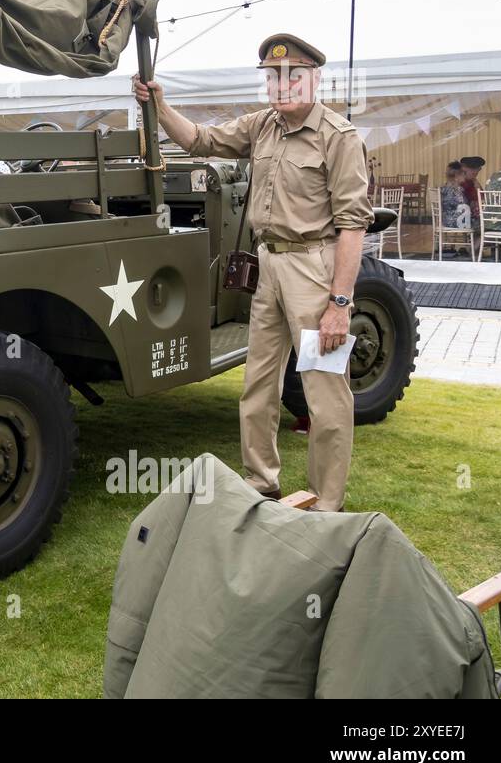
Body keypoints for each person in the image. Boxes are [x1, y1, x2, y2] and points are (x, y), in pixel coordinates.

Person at [133, 33, 372, 512]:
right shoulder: (263, 126)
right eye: (273, 76)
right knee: (258, 385)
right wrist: (160, 104)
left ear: (313, 79)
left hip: (315, 271)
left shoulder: (338, 137)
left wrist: (340, 304)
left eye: (293, 75)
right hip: (270, 268)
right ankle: (262, 482)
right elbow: (200, 140)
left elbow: (352, 225)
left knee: (324, 392)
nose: (282, 85)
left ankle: (327, 503)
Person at [439, 161, 472, 237]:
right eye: (464, 173)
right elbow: (464, 205)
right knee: (482, 224)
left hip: (445, 220)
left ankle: (470, 246)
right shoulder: (457, 190)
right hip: (456, 222)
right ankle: (473, 246)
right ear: (457, 176)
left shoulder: (444, 188)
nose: (465, 175)